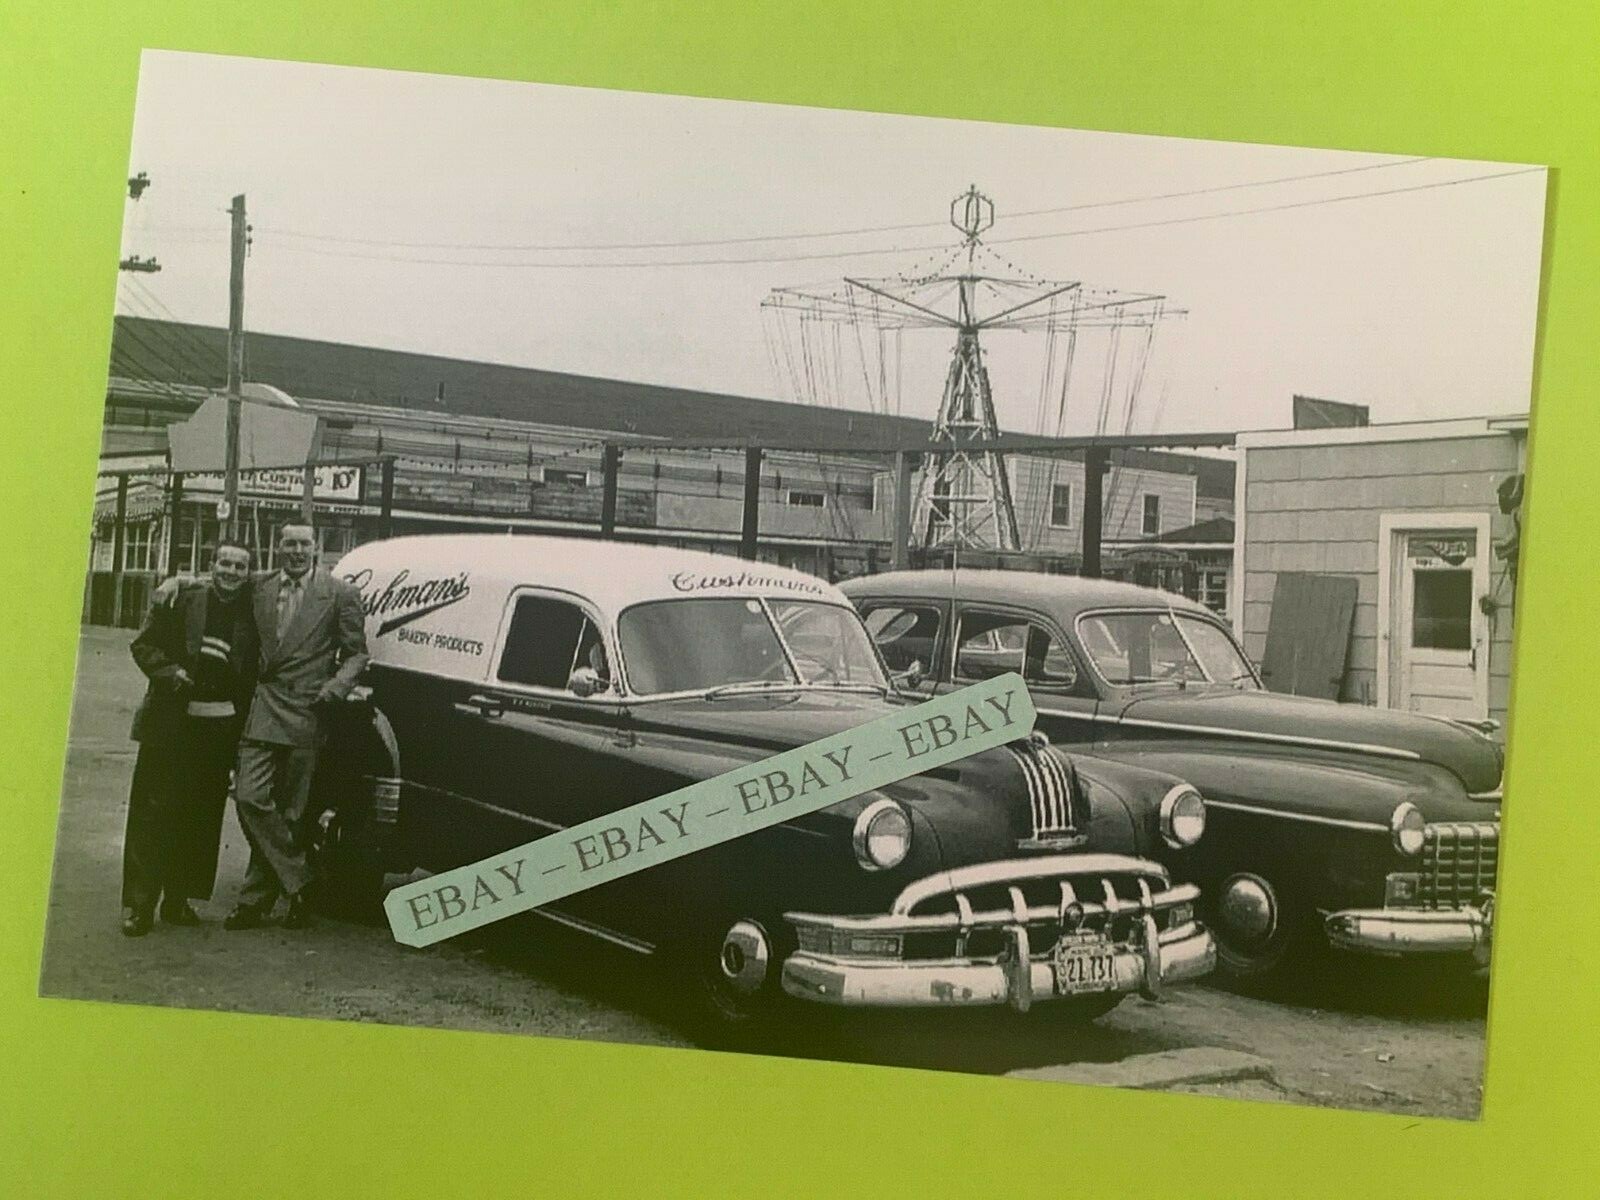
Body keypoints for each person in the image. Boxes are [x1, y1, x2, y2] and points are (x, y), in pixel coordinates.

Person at [224, 524, 368, 931]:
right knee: (249, 796)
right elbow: (222, 581)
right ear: (279, 545)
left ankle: (255, 900)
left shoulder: (340, 593)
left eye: (305, 543)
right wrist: (177, 581)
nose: (297, 551)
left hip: (309, 710)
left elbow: (357, 655)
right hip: (265, 707)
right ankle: (301, 879)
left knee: (292, 811)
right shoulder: (261, 586)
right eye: (289, 543)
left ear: (316, 547)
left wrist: (335, 687)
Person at [121, 539, 258, 937]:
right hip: (170, 726)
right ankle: (139, 906)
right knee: (154, 815)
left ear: (249, 573)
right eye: (225, 563)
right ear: (211, 565)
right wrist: (170, 674)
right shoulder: (182, 599)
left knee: (199, 819)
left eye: (240, 566)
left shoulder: (252, 609)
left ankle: (178, 901)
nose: (231, 572)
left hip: (218, 731)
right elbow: (142, 644)